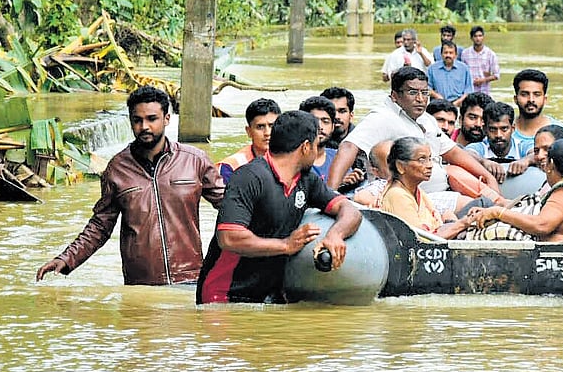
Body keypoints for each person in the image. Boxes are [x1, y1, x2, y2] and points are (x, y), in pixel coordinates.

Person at [36, 86, 225, 285]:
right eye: (137, 120)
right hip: (142, 285)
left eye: (152, 119)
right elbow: (100, 226)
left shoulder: (194, 160)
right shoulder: (117, 169)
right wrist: (67, 259)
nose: (144, 126)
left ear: (167, 119)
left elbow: (231, 207)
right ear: (130, 121)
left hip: (190, 279)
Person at [197, 110, 362, 304]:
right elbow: (229, 238)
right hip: (224, 295)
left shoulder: (307, 180)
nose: (318, 152)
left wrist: (335, 235)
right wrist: (285, 245)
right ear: (306, 147)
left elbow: (349, 209)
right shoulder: (248, 177)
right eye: (317, 145)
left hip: (269, 295)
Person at [328, 67, 499, 206]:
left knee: (455, 171)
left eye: (424, 93)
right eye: (412, 92)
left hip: (441, 189)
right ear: (395, 95)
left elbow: (452, 152)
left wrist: (489, 177)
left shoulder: (427, 119)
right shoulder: (382, 117)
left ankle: (501, 203)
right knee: (476, 205)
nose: (420, 99)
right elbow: (349, 146)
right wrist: (330, 197)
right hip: (409, 197)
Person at [467, 138, 563, 243]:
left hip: (560, 261)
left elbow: (541, 225)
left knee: (500, 230)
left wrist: (499, 213)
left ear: (550, 164)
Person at [380, 136, 475, 240]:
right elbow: (420, 241)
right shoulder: (397, 195)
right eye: (422, 160)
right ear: (400, 166)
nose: (430, 165)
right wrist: (462, 223)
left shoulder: (416, 191)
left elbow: (438, 222)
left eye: (430, 159)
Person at [511, 68, 563, 157]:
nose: (531, 100)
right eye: (524, 94)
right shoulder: (501, 130)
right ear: (515, 99)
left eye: (537, 94)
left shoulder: (562, 132)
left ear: (545, 99)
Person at [218, 98, 279, 185]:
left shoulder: (293, 161)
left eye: (272, 126)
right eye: (260, 127)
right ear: (249, 131)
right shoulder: (231, 167)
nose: (267, 133)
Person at [465, 101, 528, 182]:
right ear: (484, 129)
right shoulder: (481, 147)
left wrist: (526, 161)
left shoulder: (521, 146)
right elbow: (465, 154)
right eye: (493, 129)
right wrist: (484, 162)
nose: (498, 135)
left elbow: (537, 153)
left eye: (504, 129)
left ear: (513, 129)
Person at [426, 40, 474, 105]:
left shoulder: (464, 68)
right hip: (438, 104)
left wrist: (458, 102)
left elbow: (469, 89)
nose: (448, 55)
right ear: (441, 54)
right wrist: (437, 96)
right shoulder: (432, 69)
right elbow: (427, 87)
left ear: (456, 55)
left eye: (451, 53)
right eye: (445, 52)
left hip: (459, 104)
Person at [461, 25, 500, 95]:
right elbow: (462, 73)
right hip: (469, 91)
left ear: (483, 37)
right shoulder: (465, 53)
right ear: (471, 38)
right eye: (475, 36)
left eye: (480, 36)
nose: (478, 38)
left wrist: (483, 80)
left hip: (484, 91)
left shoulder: (490, 54)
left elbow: (496, 75)